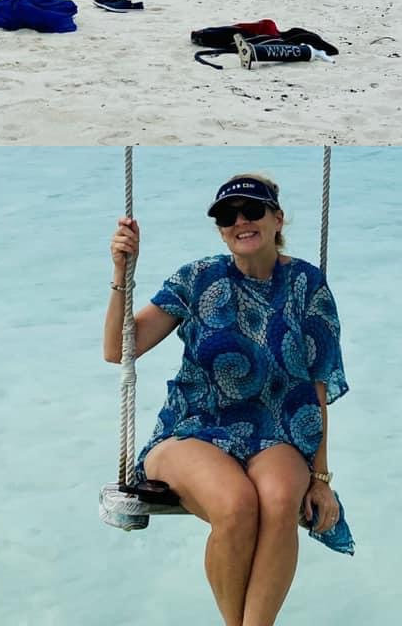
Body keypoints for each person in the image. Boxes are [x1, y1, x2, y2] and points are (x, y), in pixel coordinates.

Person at [103, 174, 353, 626]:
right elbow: (118, 349)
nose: (240, 222)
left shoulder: (307, 284)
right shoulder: (197, 278)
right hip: (193, 428)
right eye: (226, 216)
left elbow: (318, 385)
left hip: (277, 428)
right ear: (220, 230)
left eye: (252, 211)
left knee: (279, 501)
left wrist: (320, 477)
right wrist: (121, 273)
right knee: (237, 505)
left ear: (277, 219)